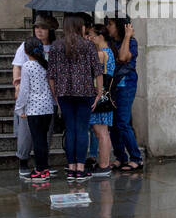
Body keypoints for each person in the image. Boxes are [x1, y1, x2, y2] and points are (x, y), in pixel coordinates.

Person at [46, 13, 104, 183]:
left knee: (70, 129)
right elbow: (98, 72)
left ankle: (71, 168)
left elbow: (51, 74)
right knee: (82, 129)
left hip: (64, 93)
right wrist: (99, 93)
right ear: (80, 27)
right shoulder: (88, 45)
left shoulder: (56, 46)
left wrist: (55, 94)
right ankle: (80, 167)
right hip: (85, 92)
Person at [13, 15, 57, 178]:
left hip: (43, 102)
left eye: (43, 27)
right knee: (27, 134)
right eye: (37, 27)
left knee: (45, 135)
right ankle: (24, 160)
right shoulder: (26, 47)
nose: (39, 30)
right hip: (36, 103)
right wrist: (16, 86)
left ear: (50, 30)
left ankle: (42, 164)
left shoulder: (54, 47)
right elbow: (17, 68)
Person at [104, 15, 143, 172]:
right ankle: (121, 157)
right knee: (113, 124)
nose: (108, 27)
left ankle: (136, 158)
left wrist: (127, 36)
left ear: (120, 26)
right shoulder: (109, 42)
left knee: (122, 122)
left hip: (126, 85)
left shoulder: (131, 42)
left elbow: (123, 57)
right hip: (113, 86)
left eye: (111, 24)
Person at [85, 25, 116, 178]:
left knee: (101, 132)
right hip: (106, 96)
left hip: (100, 97)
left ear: (100, 36)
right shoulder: (109, 52)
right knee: (103, 132)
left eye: (91, 35)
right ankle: (104, 163)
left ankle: (104, 165)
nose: (90, 38)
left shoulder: (101, 54)